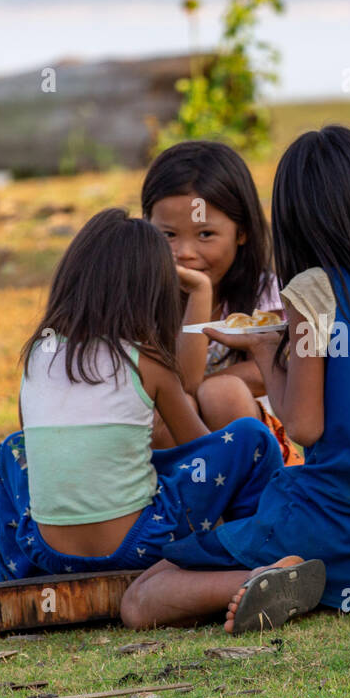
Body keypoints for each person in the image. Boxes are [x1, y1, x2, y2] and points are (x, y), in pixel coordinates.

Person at [121, 126, 350, 632]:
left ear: (296, 222)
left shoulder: (313, 290)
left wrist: (266, 351)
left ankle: (277, 577)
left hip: (326, 518)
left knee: (142, 598)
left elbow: (304, 426)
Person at [0, 209, 321, 624]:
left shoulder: (36, 357)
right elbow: (201, 446)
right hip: (140, 542)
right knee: (249, 440)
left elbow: (42, 450)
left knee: (12, 450)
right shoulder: (147, 360)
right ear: (154, 292)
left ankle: (14, 581)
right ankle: (254, 552)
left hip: (49, 551)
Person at [142, 141, 303, 465]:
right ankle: (190, 511)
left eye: (205, 235)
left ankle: (258, 503)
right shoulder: (143, 300)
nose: (184, 252)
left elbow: (275, 368)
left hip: (256, 439)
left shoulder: (265, 295)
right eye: (168, 235)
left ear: (241, 232)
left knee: (220, 393)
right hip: (178, 450)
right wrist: (179, 394)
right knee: (164, 409)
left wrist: (193, 388)